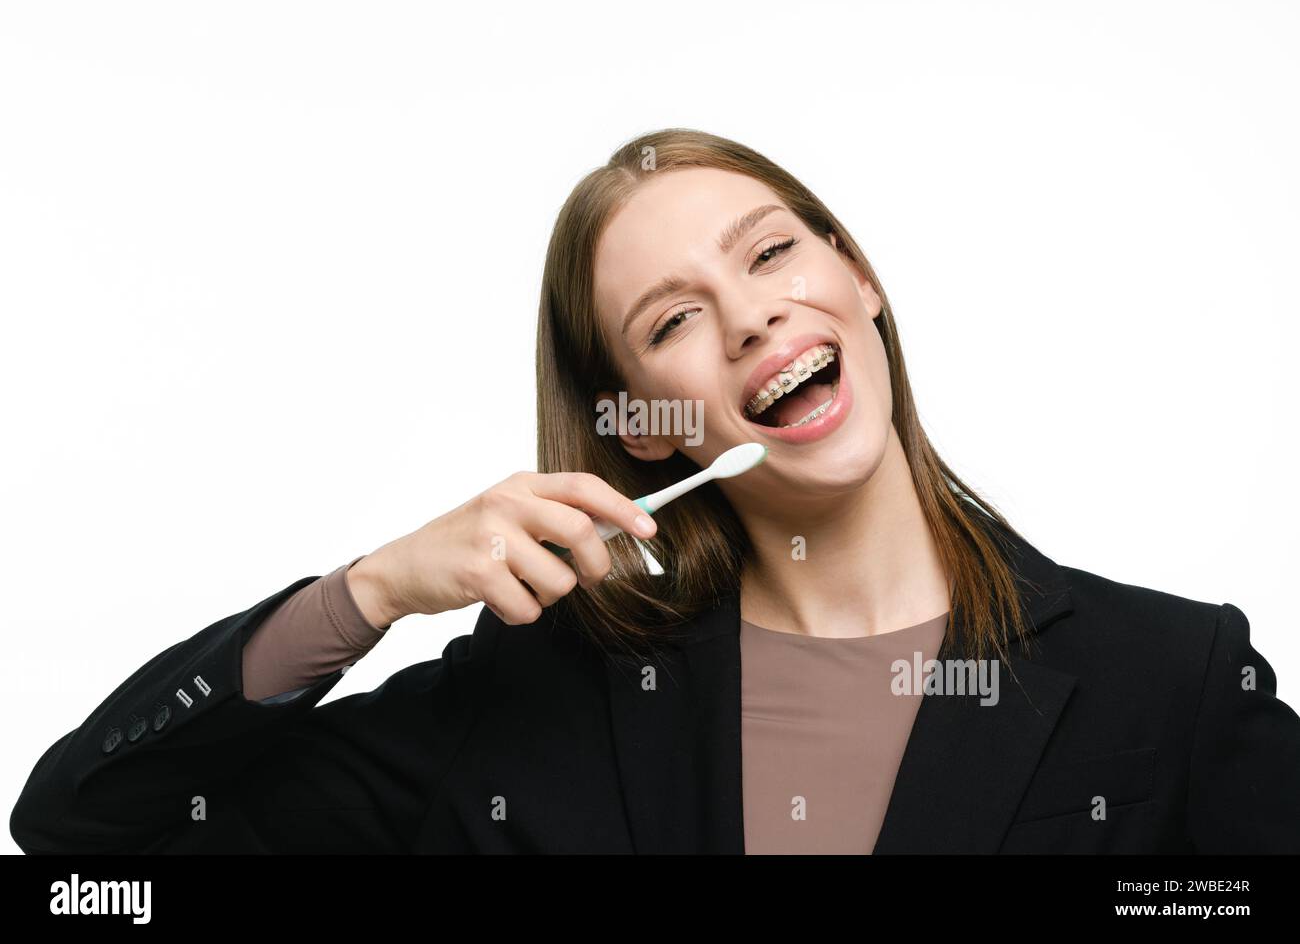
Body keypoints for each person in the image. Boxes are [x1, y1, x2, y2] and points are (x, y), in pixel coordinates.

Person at [11, 129, 1300, 854]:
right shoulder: (536, 697)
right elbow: (88, 832)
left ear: (861, 279)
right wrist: (368, 593)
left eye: (774, 252)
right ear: (649, 425)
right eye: (674, 318)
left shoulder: (1172, 683)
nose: (750, 316)